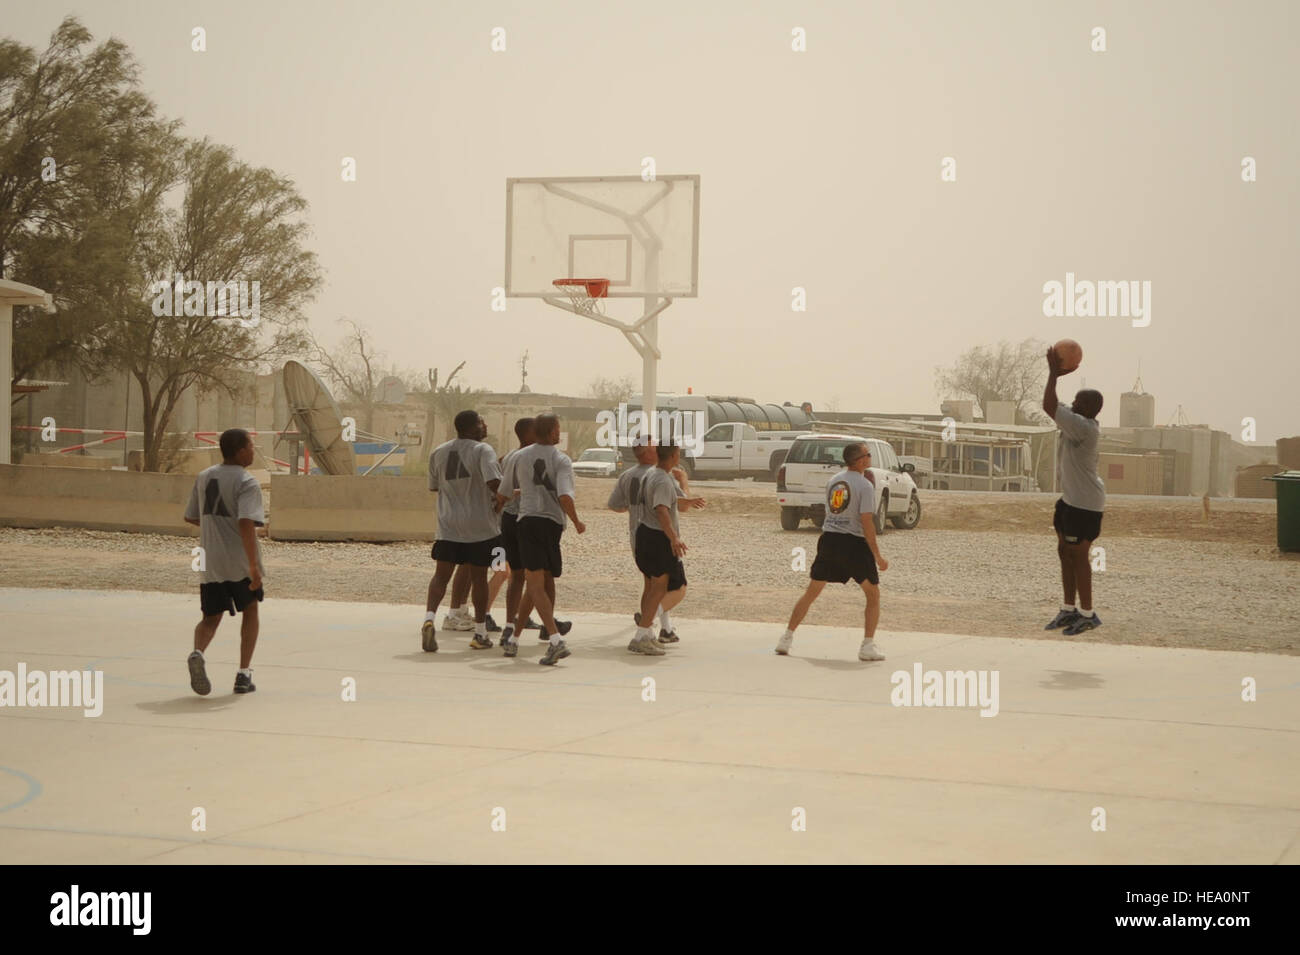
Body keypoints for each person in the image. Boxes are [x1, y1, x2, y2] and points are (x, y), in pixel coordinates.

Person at [775, 441, 889, 661]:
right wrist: (877, 555)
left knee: (811, 592)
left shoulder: (833, 481)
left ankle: (786, 638)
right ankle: (867, 646)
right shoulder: (865, 486)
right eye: (868, 454)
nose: (870, 458)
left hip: (829, 540)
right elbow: (866, 521)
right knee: (873, 594)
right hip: (853, 544)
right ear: (859, 460)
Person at [183, 428, 266, 695]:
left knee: (210, 616)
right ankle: (243, 674)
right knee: (251, 609)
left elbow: (193, 516)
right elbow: (245, 522)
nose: (254, 451)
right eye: (251, 446)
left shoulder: (204, 477)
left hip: (211, 560)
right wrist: (253, 566)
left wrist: (215, 525)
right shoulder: (247, 481)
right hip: (239, 560)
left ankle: (198, 652)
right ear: (241, 450)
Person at [496, 412, 583, 665]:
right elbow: (565, 496)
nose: (559, 433)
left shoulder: (519, 456)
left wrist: (499, 507)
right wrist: (577, 521)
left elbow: (503, 491)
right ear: (552, 431)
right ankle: (551, 640)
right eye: (558, 429)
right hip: (550, 524)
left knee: (535, 583)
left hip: (529, 520)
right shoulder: (562, 460)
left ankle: (519, 636)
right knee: (537, 582)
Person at [609, 438, 704, 648]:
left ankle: (650, 633)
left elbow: (662, 501)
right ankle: (645, 628)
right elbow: (661, 508)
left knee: (653, 588)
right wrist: (674, 538)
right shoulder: (663, 478)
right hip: (658, 537)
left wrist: (684, 501)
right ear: (673, 455)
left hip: (642, 534)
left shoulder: (647, 475)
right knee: (677, 588)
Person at [423, 410, 503, 652]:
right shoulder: (483, 450)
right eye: (481, 422)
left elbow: (434, 486)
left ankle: (429, 618)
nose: (485, 425)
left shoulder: (438, 451)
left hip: (448, 526)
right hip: (479, 527)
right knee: (478, 578)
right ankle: (480, 632)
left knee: (440, 576)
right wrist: (506, 497)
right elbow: (494, 483)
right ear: (471, 427)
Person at [1042, 348, 1106, 635]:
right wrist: (1055, 378)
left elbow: (1048, 406)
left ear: (1089, 409)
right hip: (1069, 501)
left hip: (1085, 505)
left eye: (1079, 402)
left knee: (1079, 556)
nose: (1074, 404)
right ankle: (1069, 610)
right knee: (1063, 552)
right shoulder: (1075, 419)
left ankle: (1088, 613)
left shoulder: (1084, 427)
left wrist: (1054, 375)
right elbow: (1055, 405)